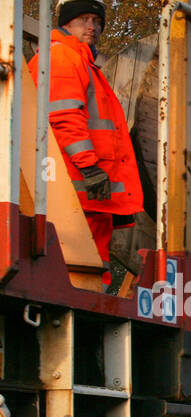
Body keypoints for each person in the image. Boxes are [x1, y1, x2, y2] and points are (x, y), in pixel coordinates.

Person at [28, 1, 143, 290]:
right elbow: (64, 115)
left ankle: (91, 303)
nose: (92, 27)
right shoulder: (63, 58)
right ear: (66, 23)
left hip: (87, 188)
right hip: (76, 184)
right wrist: (89, 166)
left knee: (90, 261)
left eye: (96, 20)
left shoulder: (78, 60)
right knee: (79, 263)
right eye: (83, 20)